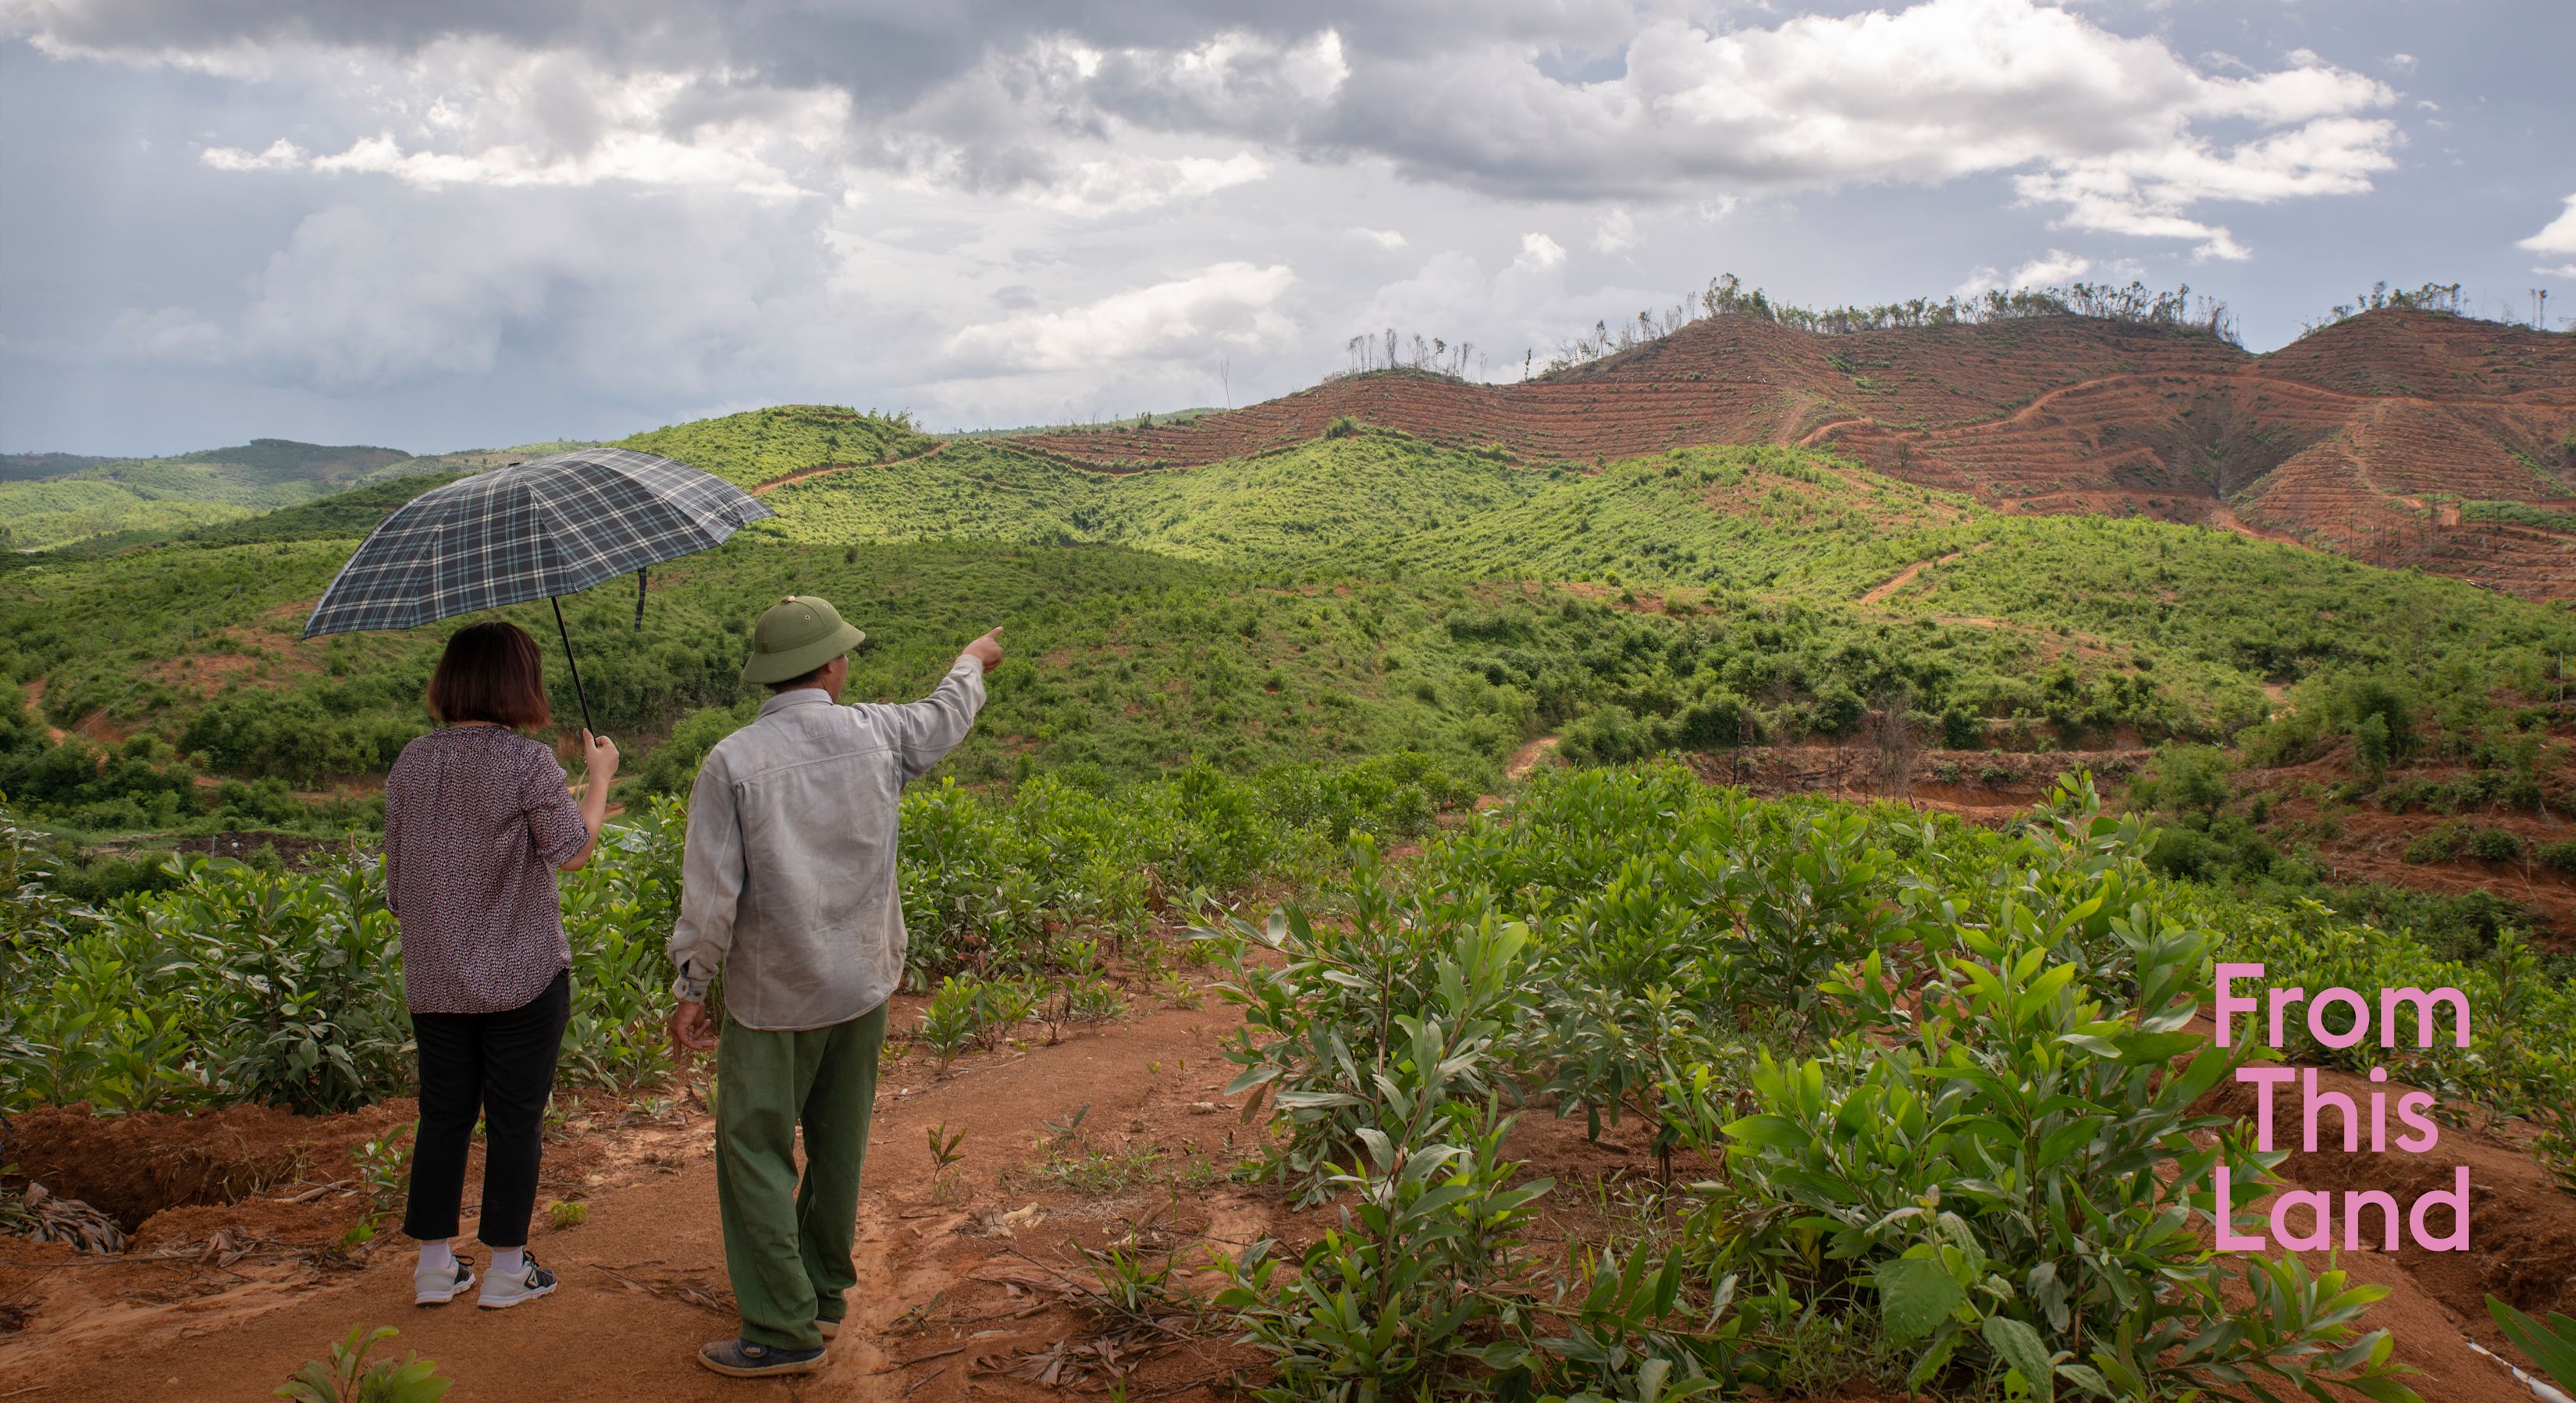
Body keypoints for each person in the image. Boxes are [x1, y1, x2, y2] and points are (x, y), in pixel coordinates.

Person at [667, 595, 1002, 1379]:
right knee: (837, 1145)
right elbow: (945, 715)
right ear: (830, 666)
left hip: (773, 998)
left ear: (769, 675)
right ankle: (819, 1292)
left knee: (754, 1150)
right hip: (864, 982)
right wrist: (971, 660)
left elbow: (711, 896)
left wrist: (692, 986)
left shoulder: (732, 762)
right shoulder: (877, 733)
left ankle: (781, 1327)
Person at [383, 621, 618, 1310]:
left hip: (435, 983)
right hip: (524, 977)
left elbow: (399, 888)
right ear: (521, 683)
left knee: (443, 1116)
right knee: (516, 1120)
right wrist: (597, 779)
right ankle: (508, 1271)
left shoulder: (411, 763)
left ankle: (435, 1268)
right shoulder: (528, 762)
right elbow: (573, 850)